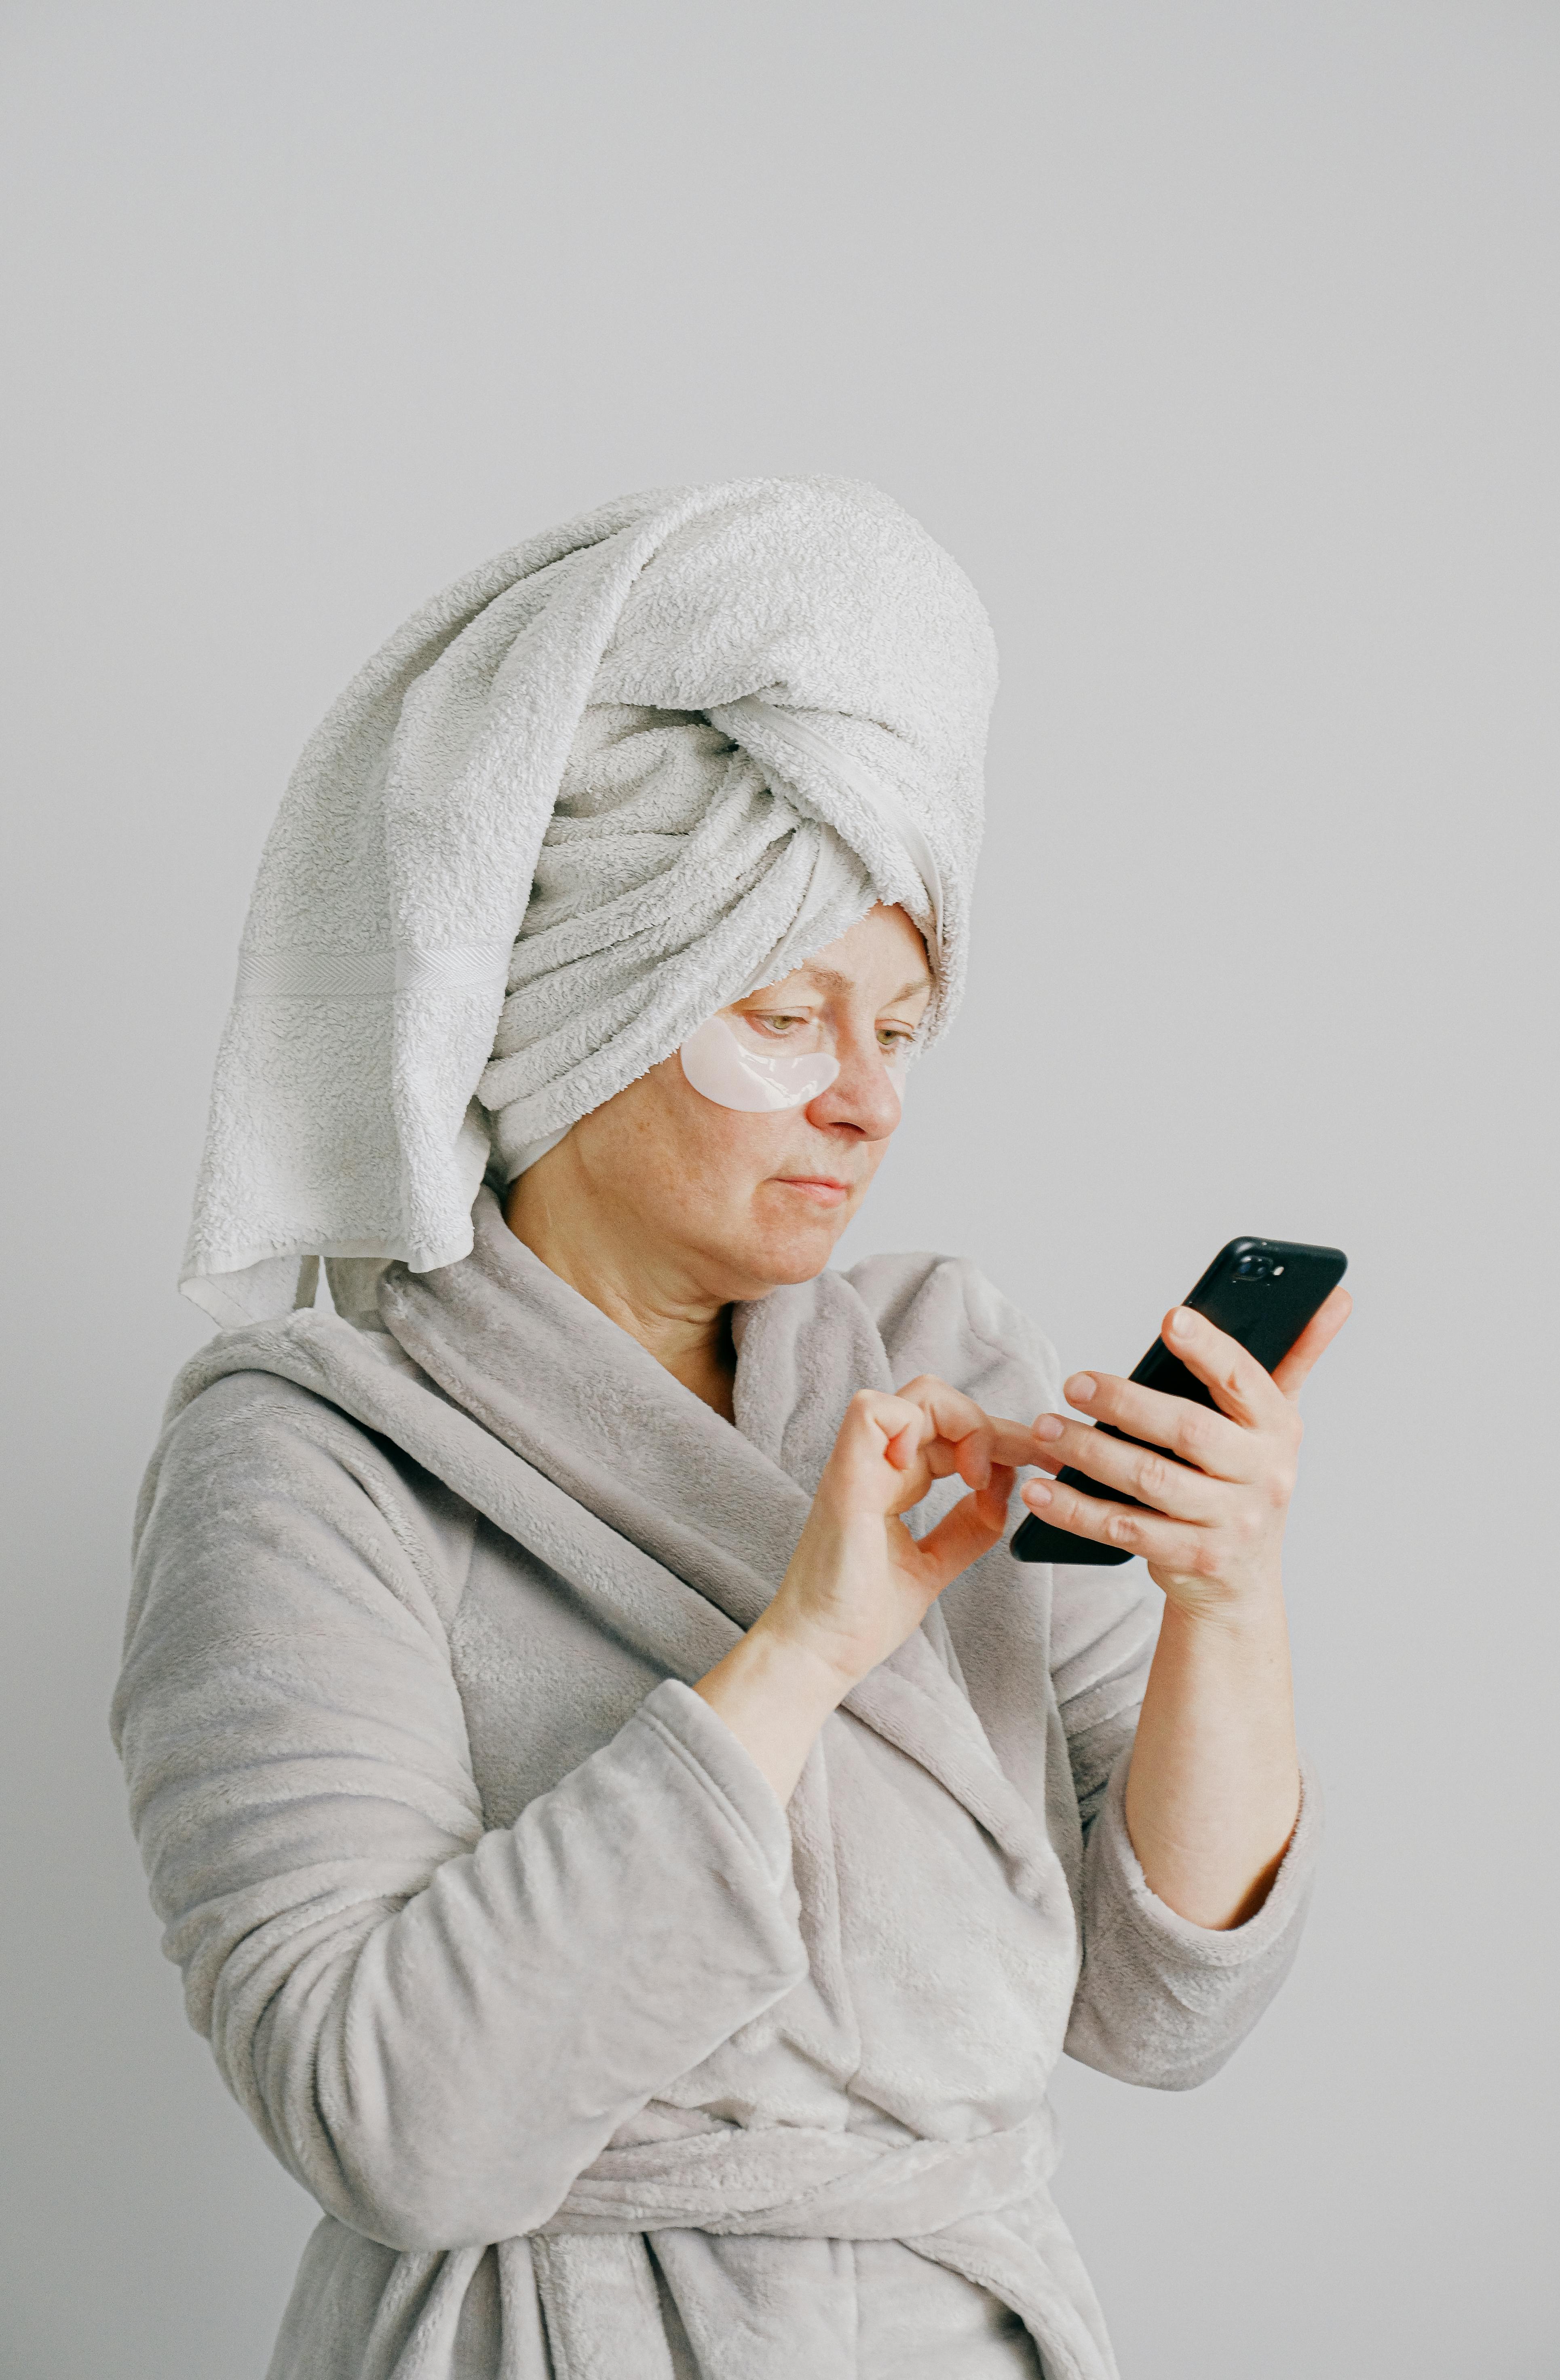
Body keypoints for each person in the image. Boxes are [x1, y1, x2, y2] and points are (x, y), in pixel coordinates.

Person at [114, 476, 1348, 2380]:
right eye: (786, 1013)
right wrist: (804, 1647)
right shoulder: (307, 1453)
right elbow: (394, 2123)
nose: (868, 1100)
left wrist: (1229, 1600)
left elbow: (1165, 2009)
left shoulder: (952, 1353)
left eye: (905, 1027)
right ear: (582, 1006)